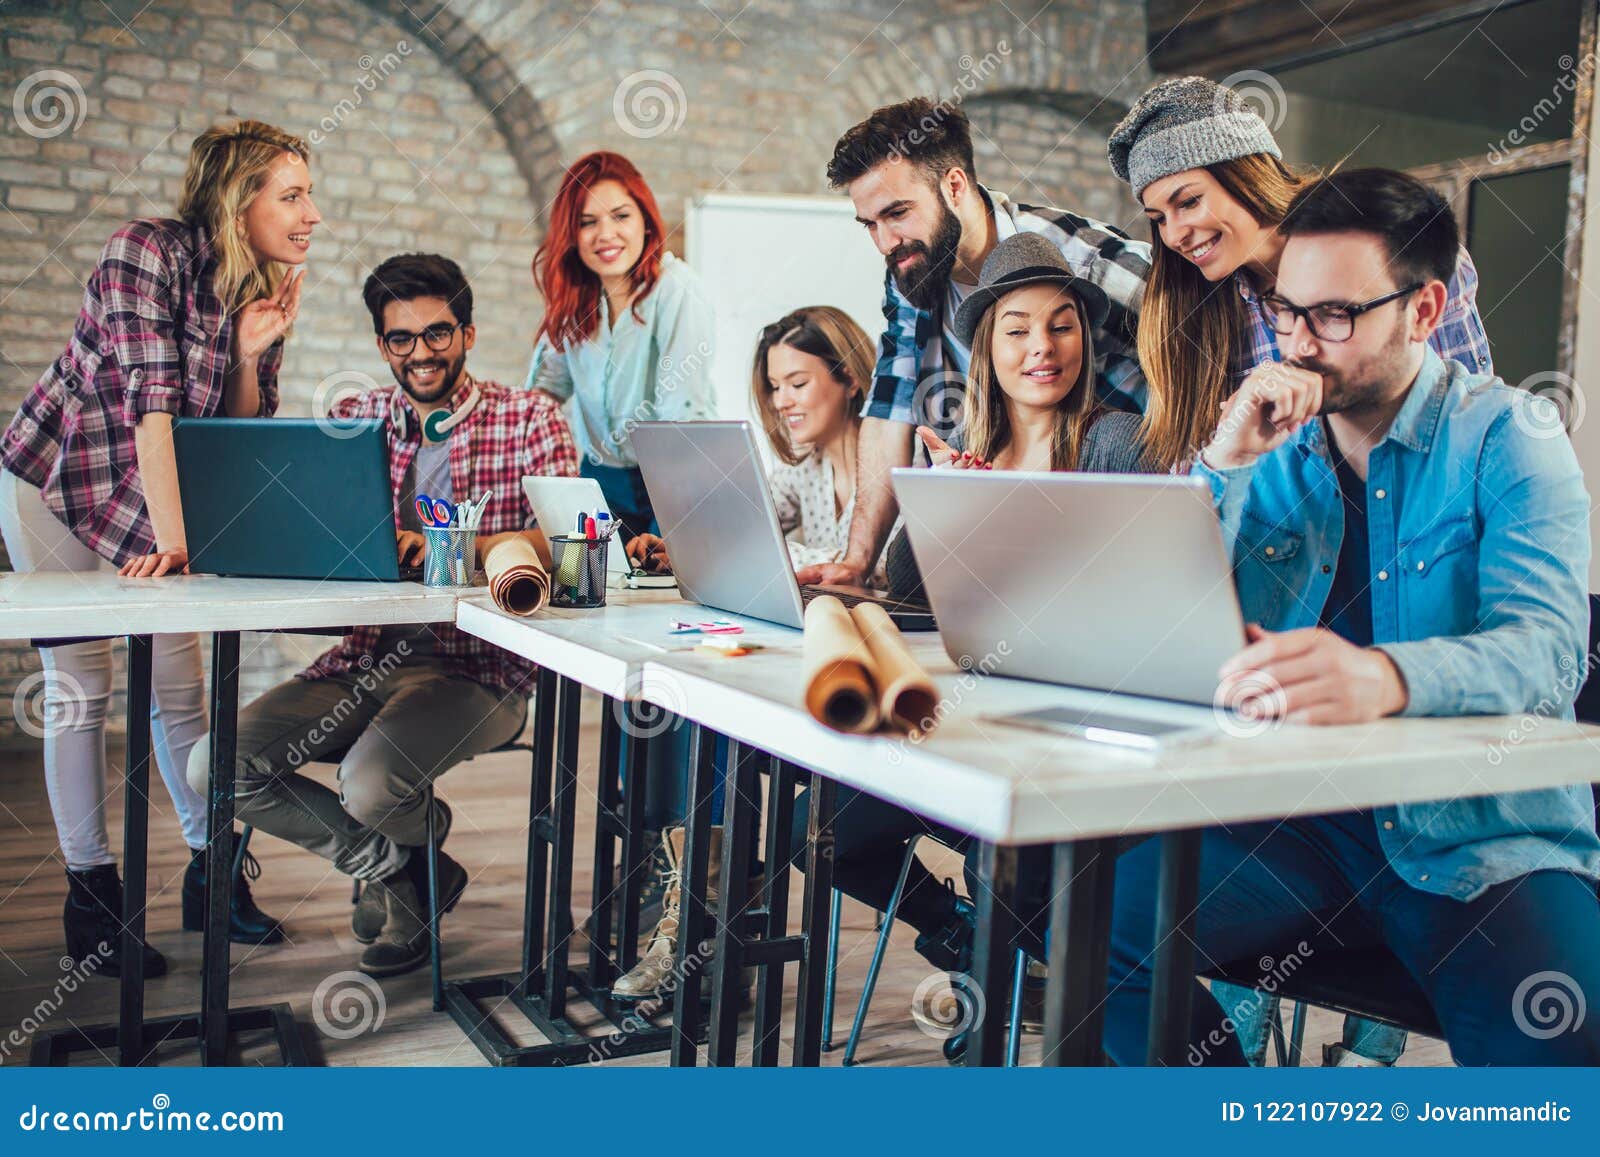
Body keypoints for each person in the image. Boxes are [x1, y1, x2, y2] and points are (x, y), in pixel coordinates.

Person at [1101, 168, 1600, 1067]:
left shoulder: (1513, 437)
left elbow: (1551, 655)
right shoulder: (1272, 447)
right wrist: (1222, 463)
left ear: (1423, 308)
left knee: (1567, 1039)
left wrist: (1384, 677)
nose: (1298, 341)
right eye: (1288, 311)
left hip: (1480, 830)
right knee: (1084, 924)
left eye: (1334, 314)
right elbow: (1171, 628)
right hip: (1301, 822)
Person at [186, 254, 579, 977]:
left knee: (367, 785)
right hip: (363, 659)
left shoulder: (530, 418)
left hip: (481, 670)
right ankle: (406, 866)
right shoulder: (352, 420)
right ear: (381, 345)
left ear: (467, 333)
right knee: (215, 765)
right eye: (401, 338)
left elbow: (566, 543)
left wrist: (441, 545)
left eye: (438, 333)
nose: (421, 352)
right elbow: (300, 521)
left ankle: (400, 869)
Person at [793, 233, 1155, 987]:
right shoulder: (967, 443)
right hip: (967, 723)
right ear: (988, 349)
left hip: (1073, 738)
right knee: (813, 828)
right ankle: (961, 938)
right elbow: (910, 597)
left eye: (1061, 325)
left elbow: (1140, 606)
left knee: (1008, 862)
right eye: (1017, 330)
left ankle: (1028, 979)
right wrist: (948, 506)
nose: (1042, 347)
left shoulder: (1116, 442)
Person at [0, 120, 314, 977]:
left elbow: (236, 436)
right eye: (291, 195)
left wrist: (250, 354)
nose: (311, 214)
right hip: (59, 479)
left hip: (154, 490)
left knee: (180, 685)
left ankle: (212, 876)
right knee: (81, 686)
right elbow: (154, 411)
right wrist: (182, 548)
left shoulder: (259, 288)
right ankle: (92, 902)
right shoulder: (144, 250)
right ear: (236, 196)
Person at [796, 97, 1151, 593]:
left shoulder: (1077, 257)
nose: (884, 241)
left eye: (897, 213)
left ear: (955, 185)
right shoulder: (911, 270)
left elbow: (1200, 324)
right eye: (869, 224)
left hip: (1104, 499)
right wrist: (858, 561)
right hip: (1001, 529)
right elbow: (890, 407)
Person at [525, 150, 715, 547]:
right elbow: (541, 395)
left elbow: (681, 417)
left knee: (663, 591)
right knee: (595, 593)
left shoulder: (675, 289)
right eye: (587, 222)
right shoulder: (575, 299)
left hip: (672, 473)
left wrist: (669, 528)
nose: (605, 234)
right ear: (571, 236)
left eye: (621, 216)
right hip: (600, 482)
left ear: (645, 221)